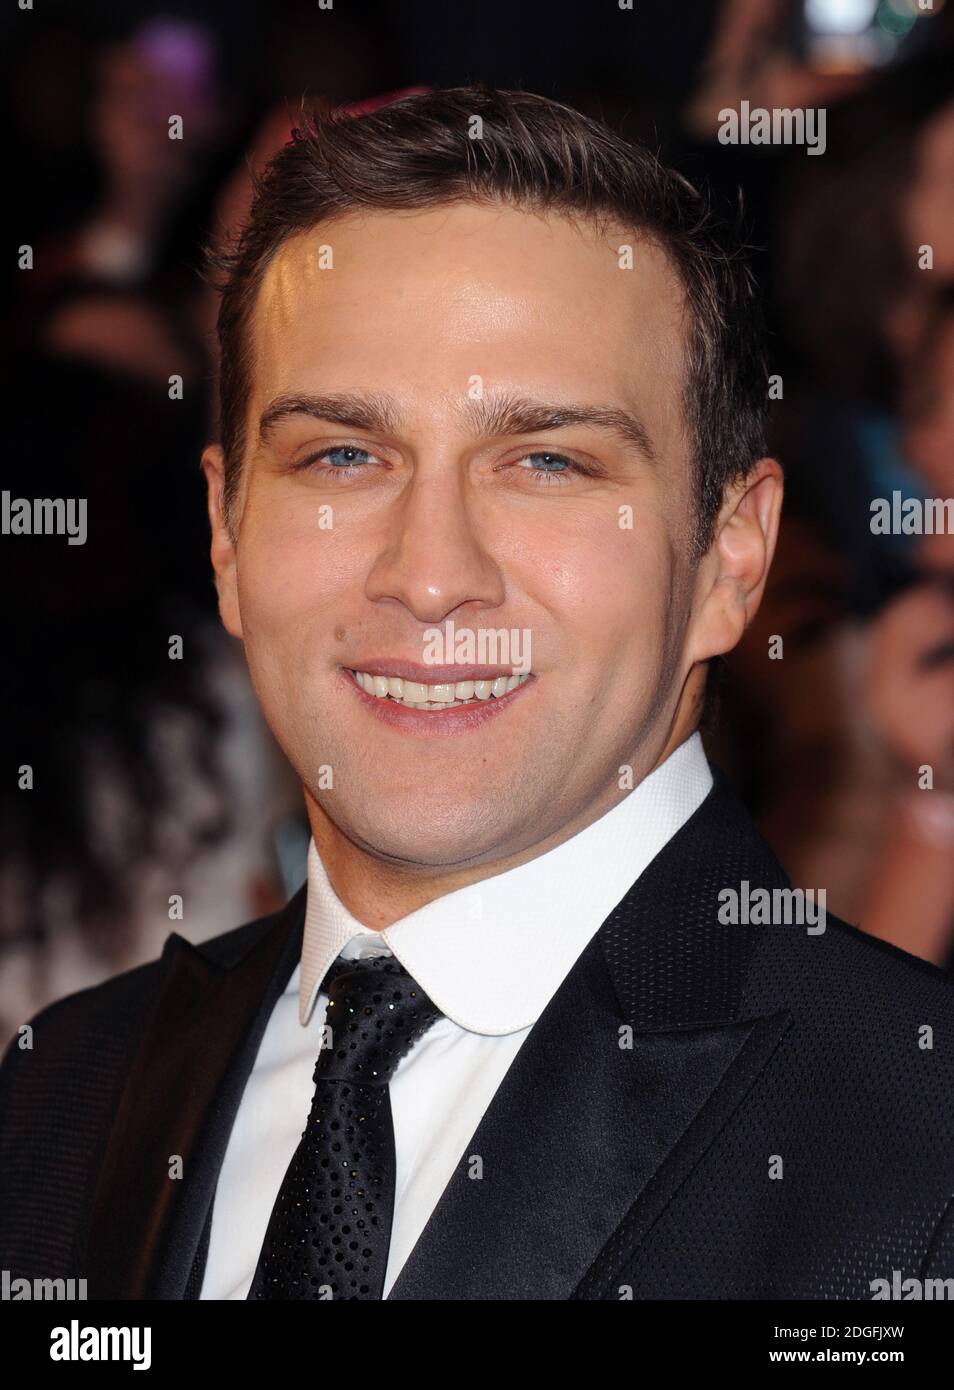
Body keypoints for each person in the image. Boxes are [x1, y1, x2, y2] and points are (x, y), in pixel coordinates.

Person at [2, 84, 953, 1302]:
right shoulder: (61, 1094)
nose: (431, 574)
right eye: (342, 455)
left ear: (732, 557)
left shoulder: (916, 1152)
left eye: (547, 461)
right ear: (226, 534)